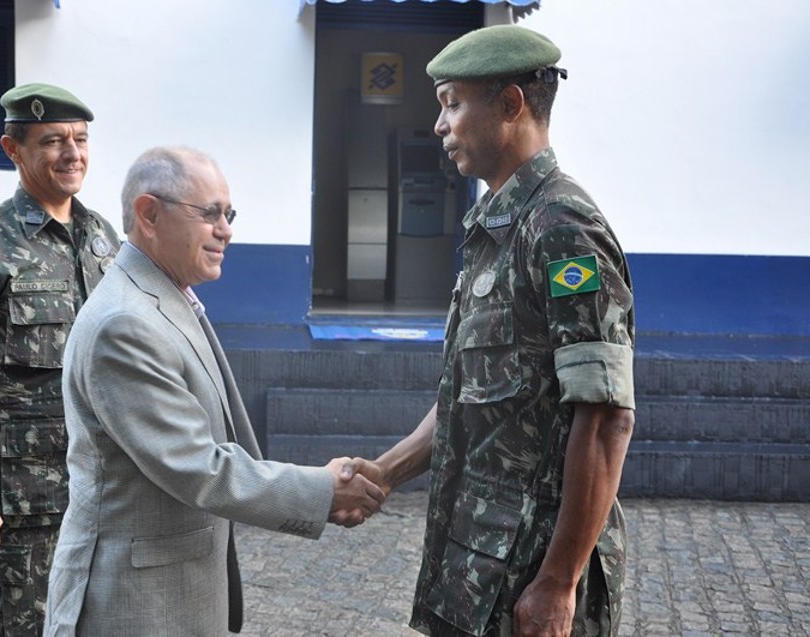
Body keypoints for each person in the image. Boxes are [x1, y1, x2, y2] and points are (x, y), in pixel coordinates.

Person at [351, 25, 636, 636]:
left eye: (453, 103)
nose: (439, 124)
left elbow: (607, 417)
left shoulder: (562, 230)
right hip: (476, 563)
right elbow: (468, 395)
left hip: (533, 573)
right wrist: (385, 472)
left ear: (510, 105)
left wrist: (559, 583)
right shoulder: (494, 226)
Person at [43, 146, 385, 636]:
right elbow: (196, 466)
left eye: (228, 213)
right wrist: (321, 490)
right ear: (149, 214)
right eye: (209, 214)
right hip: (133, 604)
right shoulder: (125, 323)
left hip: (168, 591)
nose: (226, 229)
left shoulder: (163, 298)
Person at [0, 83, 120, 636]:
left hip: (101, 493)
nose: (72, 153)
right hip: (26, 508)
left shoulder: (103, 238)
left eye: (80, 140)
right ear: (14, 150)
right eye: (53, 141)